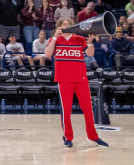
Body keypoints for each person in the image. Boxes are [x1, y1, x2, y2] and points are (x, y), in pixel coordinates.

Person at [44, 18, 108, 148]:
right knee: (66, 110)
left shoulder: (79, 39)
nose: (66, 26)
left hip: (81, 78)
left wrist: (90, 44)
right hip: (64, 79)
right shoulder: (55, 40)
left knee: (88, 109)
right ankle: (68, 137)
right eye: (64, 24)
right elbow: (47, 55)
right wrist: (55, 38)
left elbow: (90, 54)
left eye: (68, 24)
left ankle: (93, 136)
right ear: (59, 27)